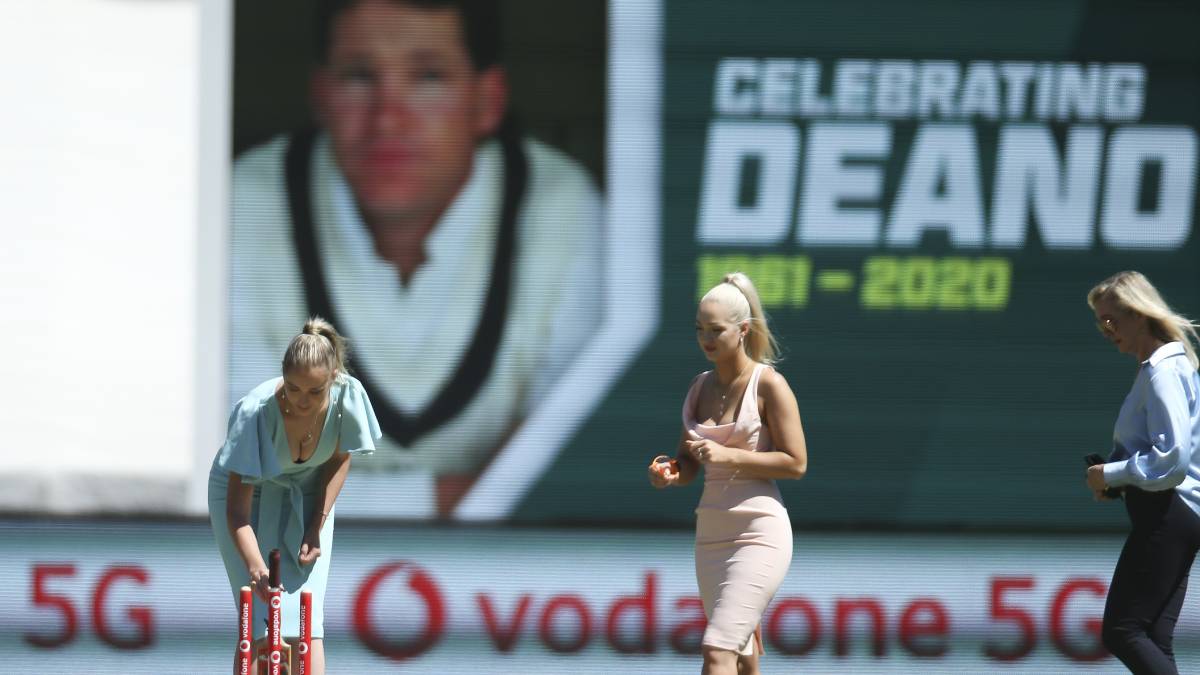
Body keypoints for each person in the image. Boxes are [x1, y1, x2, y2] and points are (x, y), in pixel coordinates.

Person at [230, 0, 603, 518]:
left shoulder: (562, 209)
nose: (388, 118)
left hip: (508, 594)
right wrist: (453, 496)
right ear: (320, 96)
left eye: (428, 76)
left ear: (486, 101)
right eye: (360, 76)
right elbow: (247, 474)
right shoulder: (241, 203)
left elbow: (575, 466)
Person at [647, 272, 808, 675]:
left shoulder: (768, 384)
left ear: (742, 330)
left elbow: (796, 462)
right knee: (742, 659)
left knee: (717, 649)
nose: (706, 339)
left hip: (759, 531)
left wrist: (728, 456)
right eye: (700, 329)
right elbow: (689, 465)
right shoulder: (699, 387)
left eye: (716, 330)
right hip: (712, 535)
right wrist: (669, 473)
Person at [209, 317, 381, 675]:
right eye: (292, 388)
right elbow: (237, 513)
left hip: (310, 494)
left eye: (314, 392)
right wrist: (256, 570)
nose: (301, 402)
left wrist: (314, 527)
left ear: (333, 380)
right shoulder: (254, 413)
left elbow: (339, 457)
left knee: (306, 619)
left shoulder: (346, 397)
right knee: (260, 619)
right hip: (246, 499)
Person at [1086, 271, 1200, 674]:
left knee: (1122, 629)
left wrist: (1113, 474)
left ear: (1140, 313)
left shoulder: (1161, 372)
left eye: (1113, 317)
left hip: (1168, 512)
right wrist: (1117, 480)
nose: (1106, 328)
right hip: (1179, 513)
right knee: (1153, 638)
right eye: (1101, 321)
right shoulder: (1167, 367)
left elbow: (1172, 459)